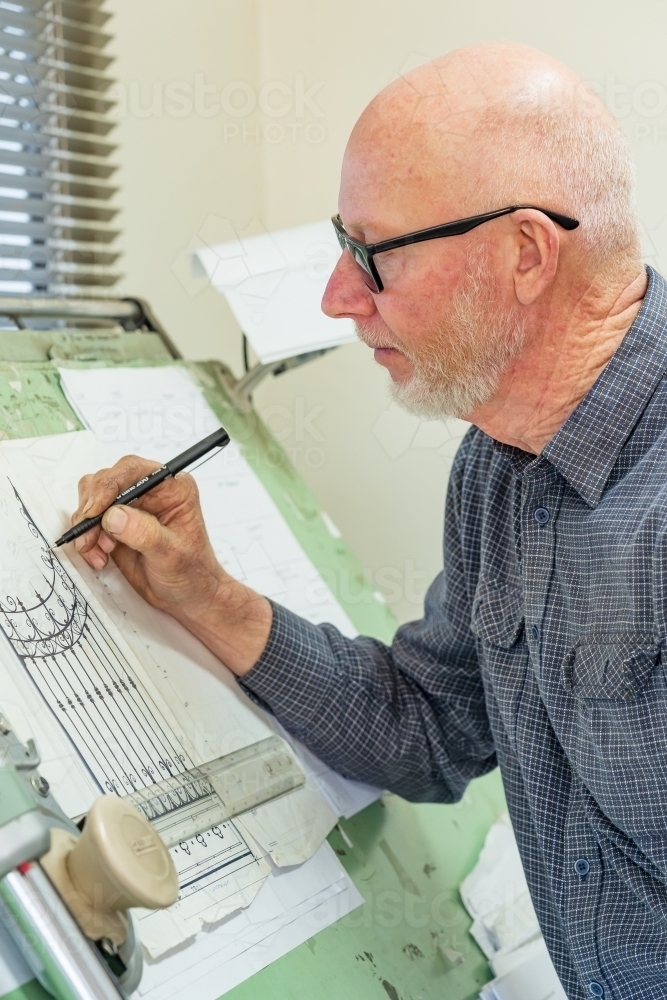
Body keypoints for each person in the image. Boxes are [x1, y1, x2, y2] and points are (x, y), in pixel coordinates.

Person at [72, 41, 667, 999]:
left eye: (373, 255)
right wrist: (204, 594)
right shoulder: (496, 472)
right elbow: (429, 727)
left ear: (523, 253)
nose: (337, 298)